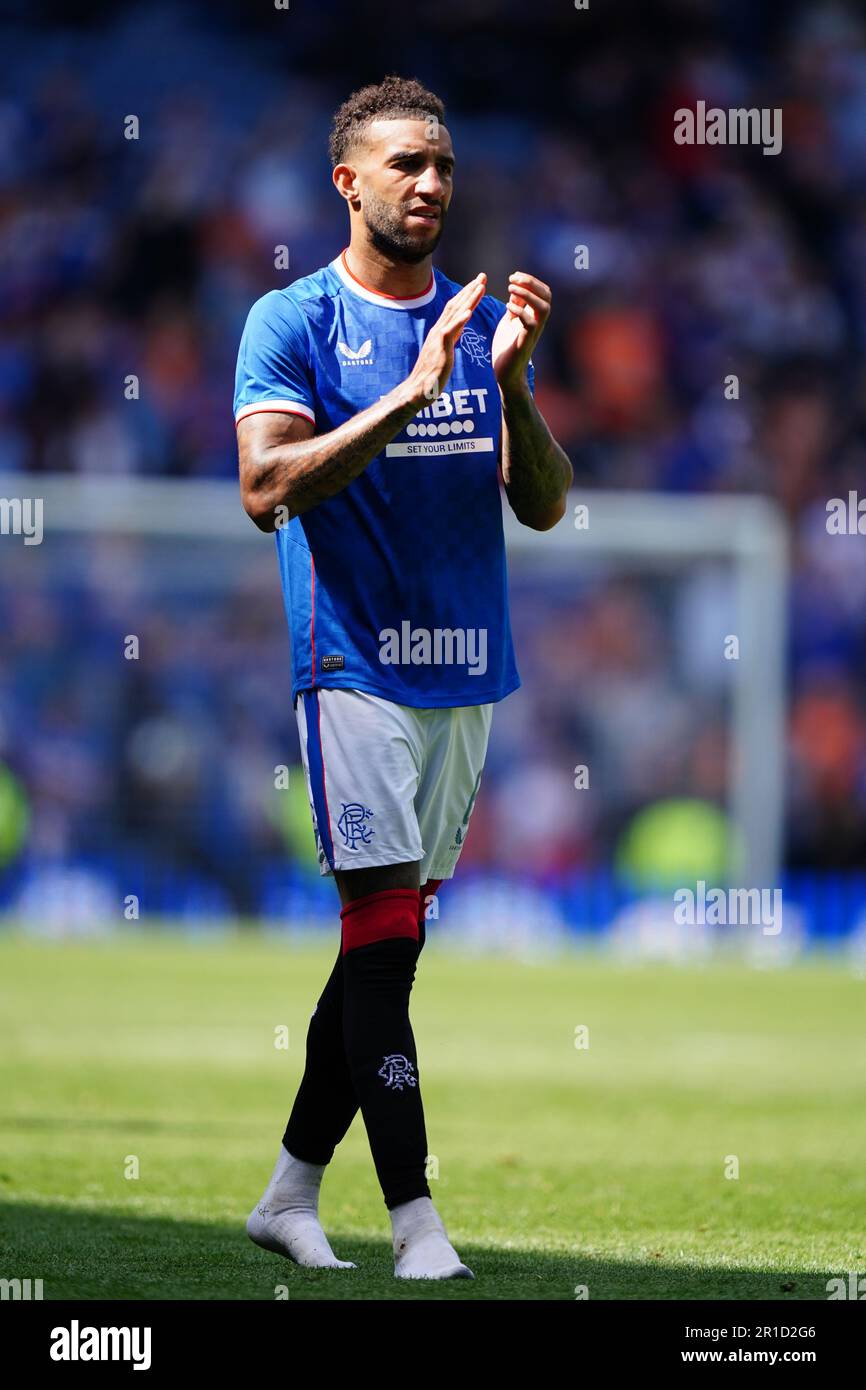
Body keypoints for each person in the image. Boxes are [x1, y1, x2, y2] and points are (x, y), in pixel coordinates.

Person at [234, 74, 572, 1281]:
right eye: (402, 165)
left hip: (468, 674)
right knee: (380, 942)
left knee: (383, 956)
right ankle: (416, 1221)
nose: (429, 184)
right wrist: (408, 392)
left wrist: (513, 389)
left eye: (440, 165)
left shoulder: (479, 327)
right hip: (354, 666)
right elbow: (267, 488)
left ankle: (287, 1192)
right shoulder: (292, 323)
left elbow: (541, 506)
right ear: (348, 181)